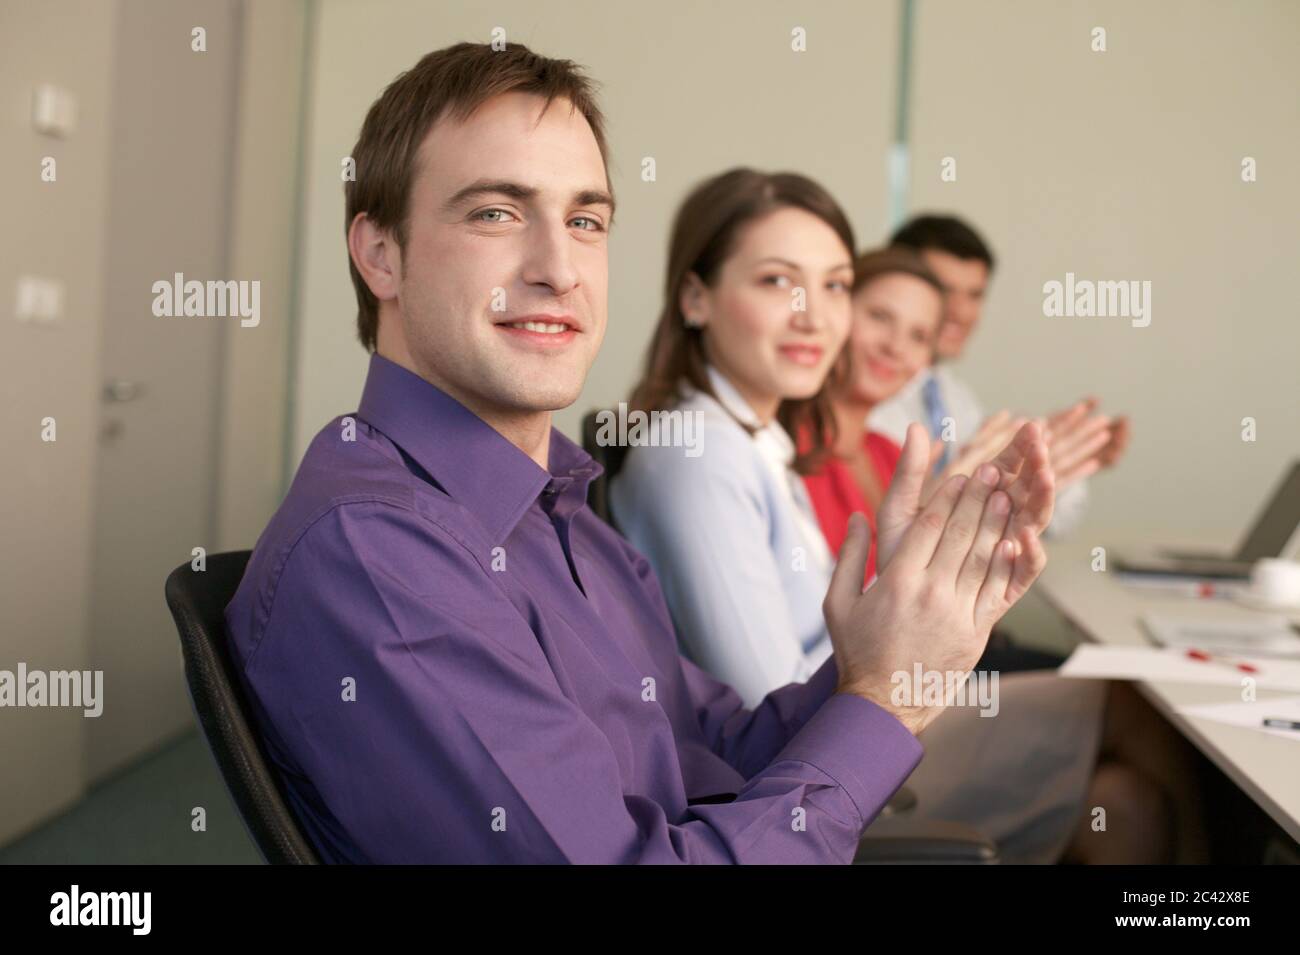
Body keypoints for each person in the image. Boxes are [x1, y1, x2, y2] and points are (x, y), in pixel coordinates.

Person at [222, 41, 1055, 864]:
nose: (559, 268)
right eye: (496, 213)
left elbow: (720, 747)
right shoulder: (380, 551)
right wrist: (879, 700)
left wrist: (892, 644)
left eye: (585, 220)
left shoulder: (561, 511)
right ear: (380, 253)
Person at [806, 246, 1208, 863]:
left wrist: (1016, 485)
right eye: (879, 318)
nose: (896, 347)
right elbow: (869, 614)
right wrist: (955, 497)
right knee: (1130, 700)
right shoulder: (798, 458)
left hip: (921, 681)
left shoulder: (888, 451)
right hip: (883, 703)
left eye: (919, 334)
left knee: (1125, 801)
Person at [869, 215, 1132, 536]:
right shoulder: (868, 396)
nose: (960, 312)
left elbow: (1038, 524)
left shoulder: (954, 398)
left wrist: (1045, 464)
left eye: (974, 295)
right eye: (944, 290)